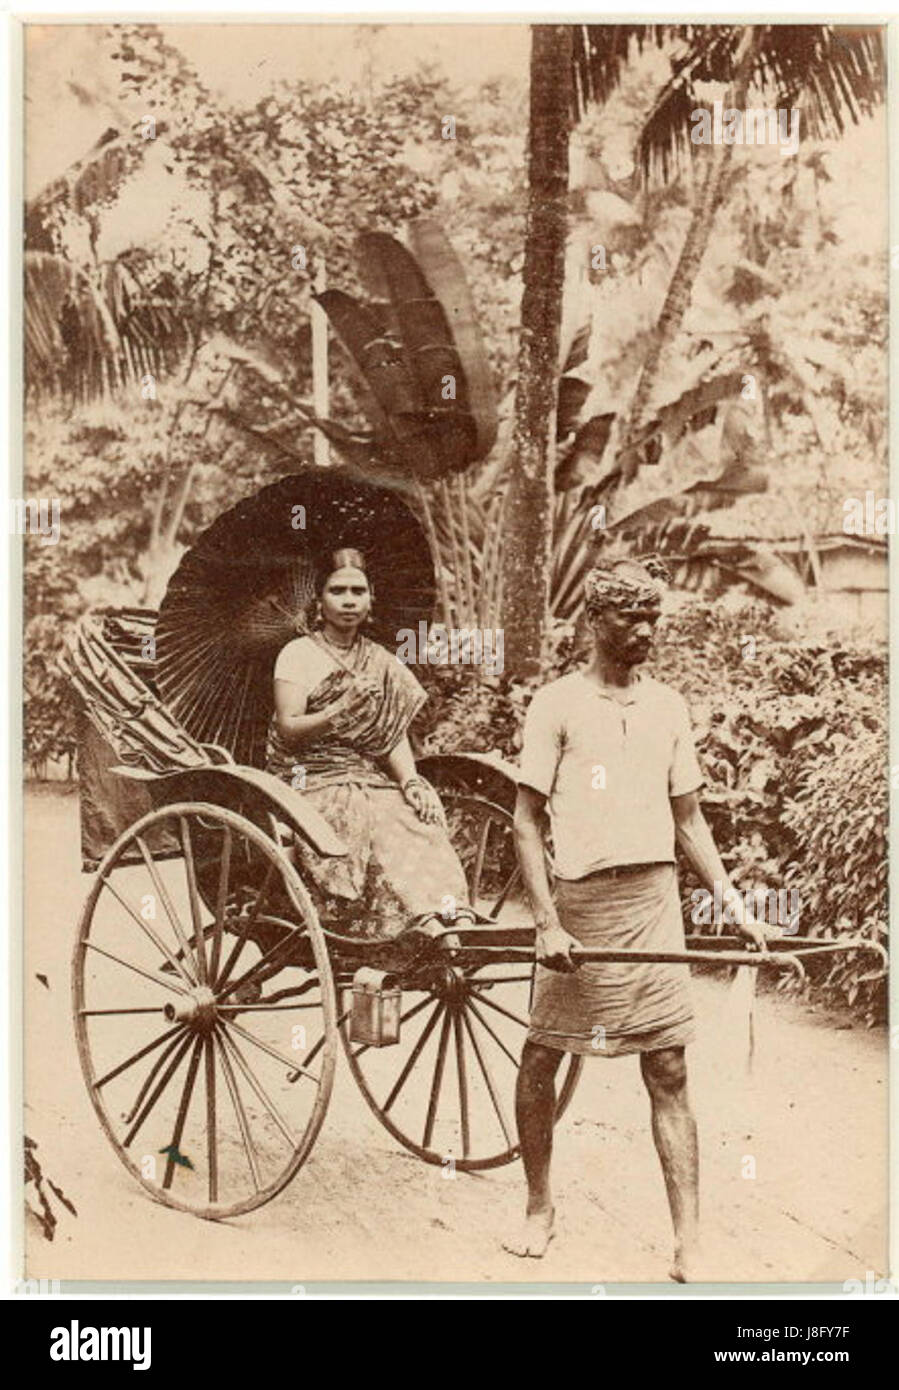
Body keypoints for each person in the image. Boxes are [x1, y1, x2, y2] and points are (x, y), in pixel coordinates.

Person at [506, 557, 770, 1279]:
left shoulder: (667, 707)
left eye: (654, 617)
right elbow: (525, 823)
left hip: (651, 900)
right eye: (631, 617)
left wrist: (736, 907)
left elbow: (689, 823)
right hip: (579, 903)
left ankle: (688, 1239)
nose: (646, 630)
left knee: (668, 1065)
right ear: (595, 621)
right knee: (542, 1057)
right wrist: (546, 923)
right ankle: (537, 1204)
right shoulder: (555, 703)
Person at [265, 547, 472, 944]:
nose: (348, 600)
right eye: (337, 591)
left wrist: (410, 781)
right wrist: (342, 707)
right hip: (309, 777)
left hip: (365, 775)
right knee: (368, 816)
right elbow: (288, 728)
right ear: (319, 601)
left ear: (370, 598)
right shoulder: (298, 655)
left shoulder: (380, 660)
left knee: (413, 814)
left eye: (358, 591)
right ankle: (409, 922)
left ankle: (449, 913)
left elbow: (390, 734)